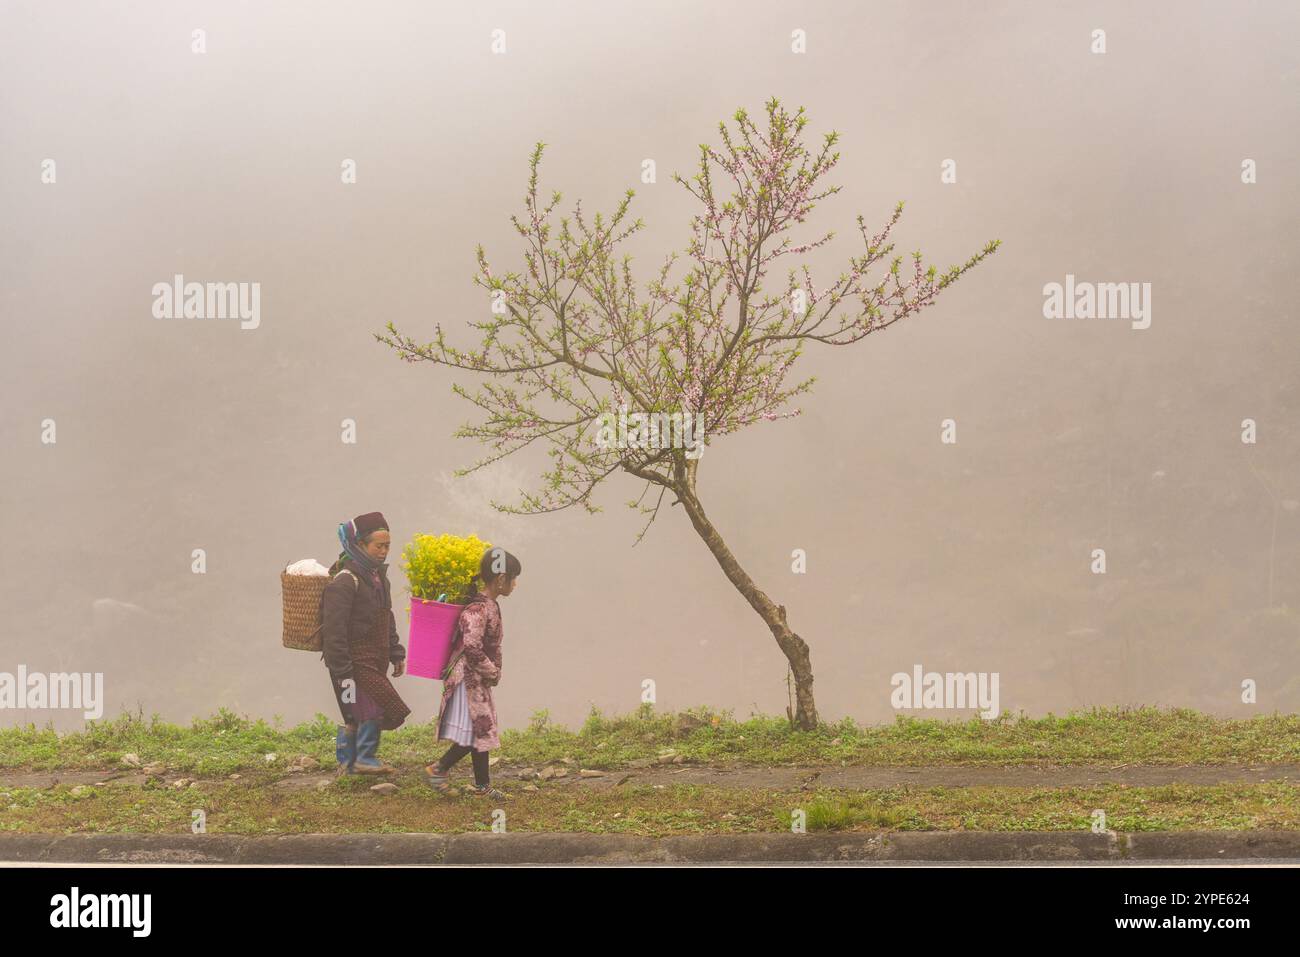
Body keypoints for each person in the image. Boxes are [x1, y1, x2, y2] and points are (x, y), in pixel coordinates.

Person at [425, 547, 521, 799]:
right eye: (513, 578)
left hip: (476, 678)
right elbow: (472, 647)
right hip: (467, 678)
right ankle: (439, 769)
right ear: (501, 580)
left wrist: (493, 671)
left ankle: (482, 786)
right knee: (478, 730)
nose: (515, 584)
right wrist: (493, 672)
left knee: (480, 730)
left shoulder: (490, 606)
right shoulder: (477, 610)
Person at [321, 511, 411, 775]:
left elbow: (387, 616)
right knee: (377, 708)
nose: (384, 552)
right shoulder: (345, 581)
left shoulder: (378, 577)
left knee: (356, 712)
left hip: (376, 657)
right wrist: (342, 670)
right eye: (378, 546)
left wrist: (396, 652)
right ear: (360, 545)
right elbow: (333, 630)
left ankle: (348, 765)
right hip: (353, 660)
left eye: (387, 546)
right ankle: (365, 759)